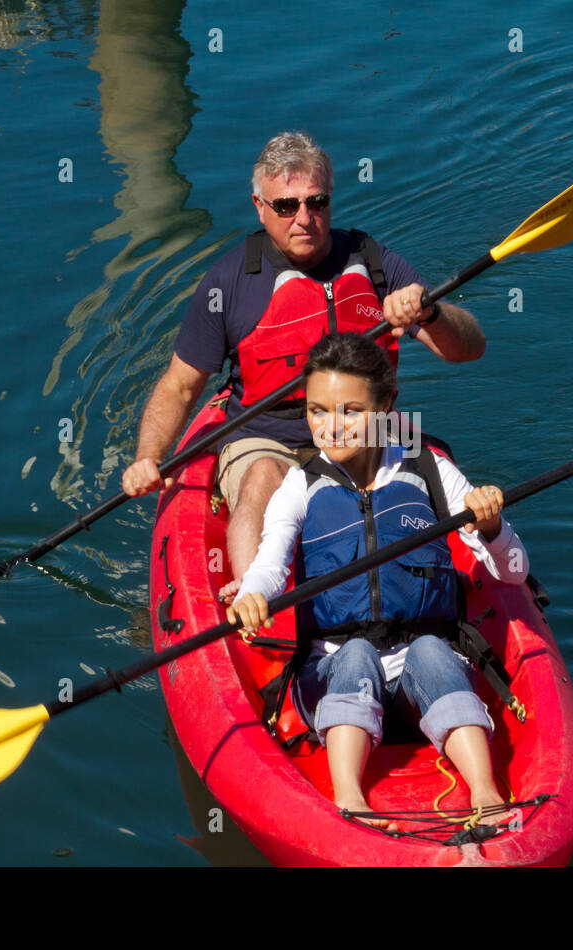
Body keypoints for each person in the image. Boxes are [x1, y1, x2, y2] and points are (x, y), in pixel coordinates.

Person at [121, 132, 486, 599]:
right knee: (260, 479)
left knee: (420, 475)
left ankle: (451, 582)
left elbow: (469, 349)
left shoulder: (373, 263)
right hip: (269, 436)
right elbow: (179, 386)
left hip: (367, 428)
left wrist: (430, 312)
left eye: (317, 202)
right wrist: (148, 457)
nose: (305, 219)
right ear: (259, 206)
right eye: (286, 206)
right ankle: (258, 604)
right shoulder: (228, 283)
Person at [225, 333, 526, 827]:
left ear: (387, 405)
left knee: (432, 648)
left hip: (423, 677)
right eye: (318, 411)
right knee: (356, 655)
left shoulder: (430, 470)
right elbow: (271, 561)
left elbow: (513, 573)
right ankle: (351, 799)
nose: (331, 428)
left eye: (350, 411)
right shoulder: (300, 484)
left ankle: (487, 794)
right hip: (331, 676)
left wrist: (491, 527)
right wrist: (256, 592)